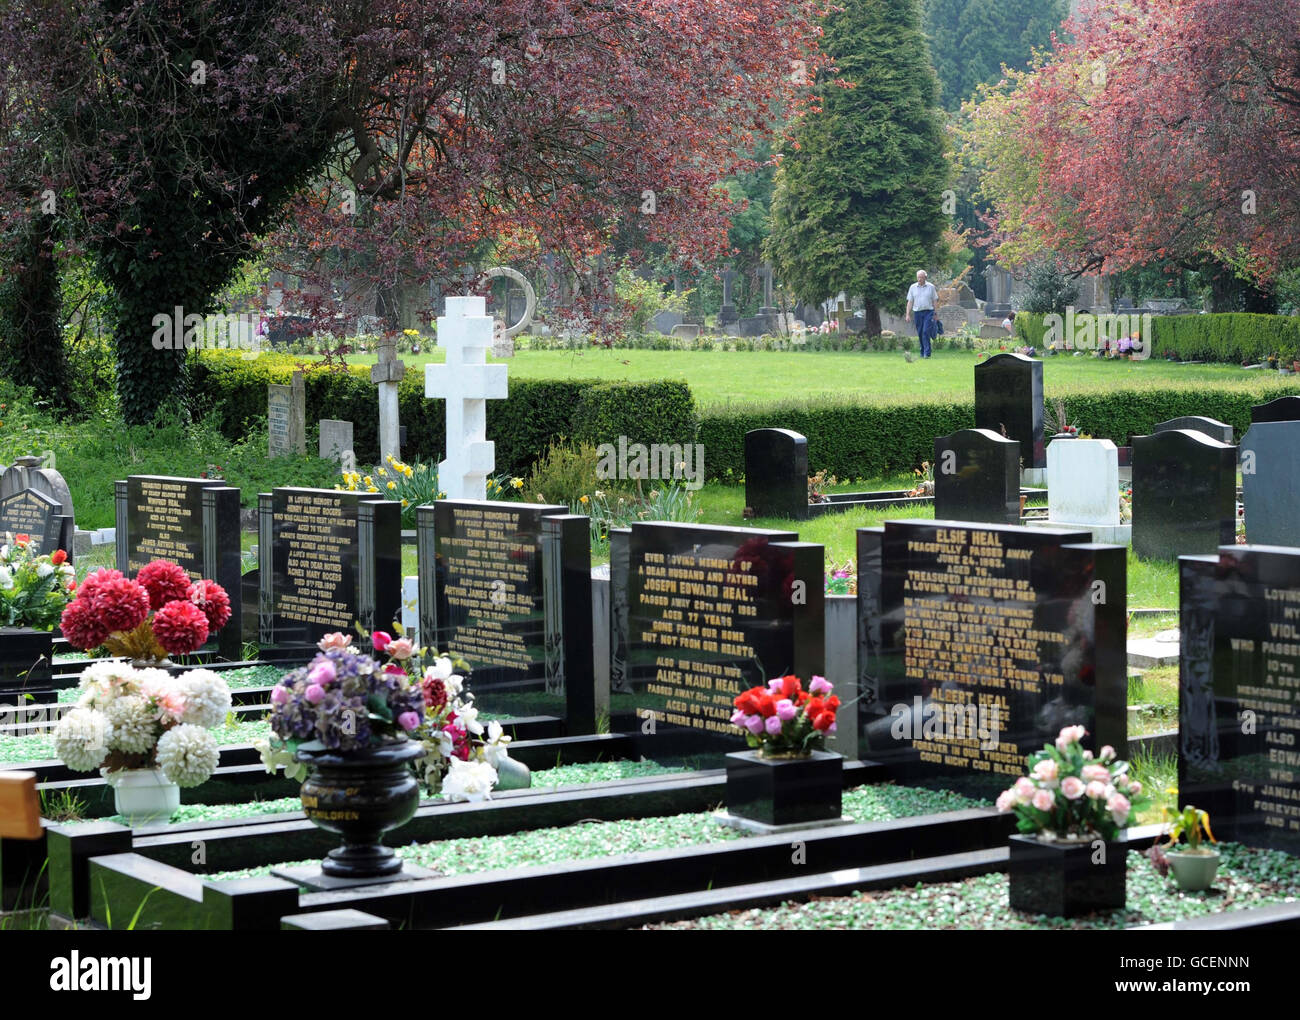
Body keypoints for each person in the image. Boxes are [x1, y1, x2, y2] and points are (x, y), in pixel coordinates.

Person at [904, 270, 938, 358]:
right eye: (918, 277)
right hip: (917, 313)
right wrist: (907, 314)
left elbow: (935, 300)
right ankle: (922, 351)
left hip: (928, 312)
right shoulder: (912, 287)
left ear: (925, 278)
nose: (919, 279)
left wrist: (935, 313)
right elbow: (910, 302)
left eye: (921, 277)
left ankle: (927, 353)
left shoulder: (931, 287)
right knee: (920, 332)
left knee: (925, 331)